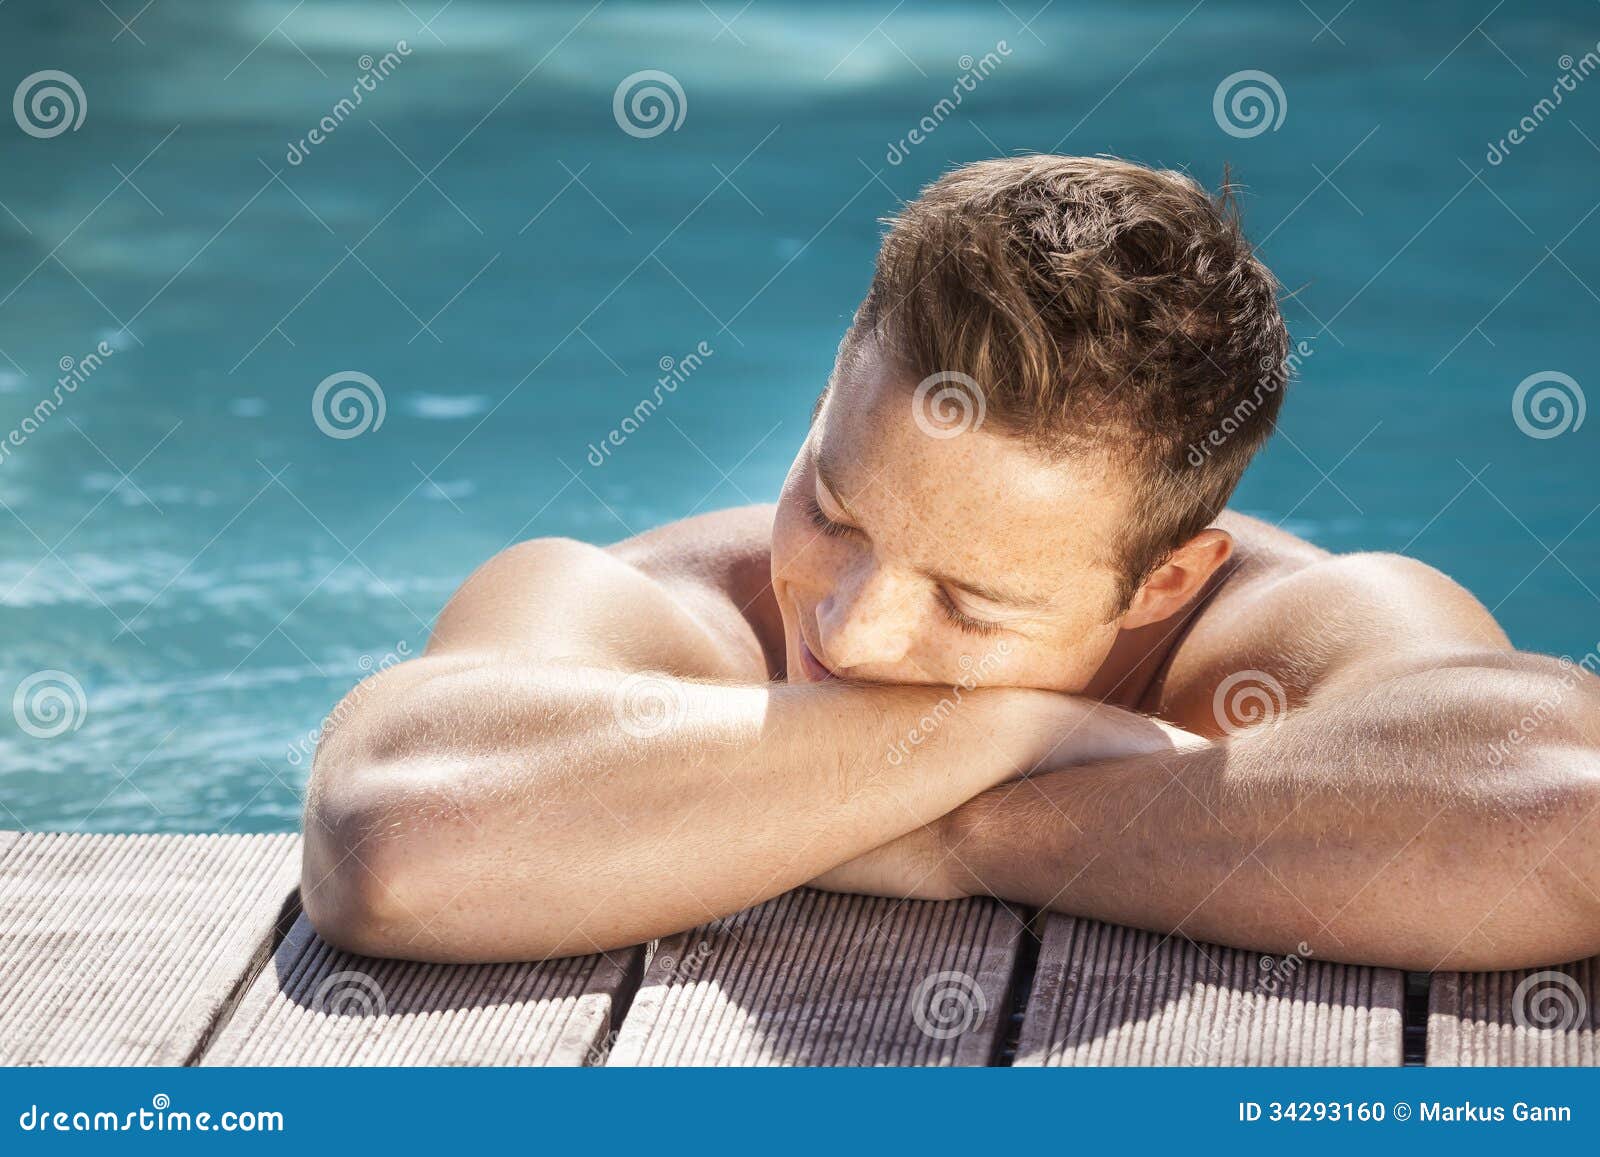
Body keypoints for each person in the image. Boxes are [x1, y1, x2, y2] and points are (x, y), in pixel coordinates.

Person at [300, 155, 1599, 970]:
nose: (853, 632)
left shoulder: (1306, 624)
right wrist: (1016, 731)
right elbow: (397, 840)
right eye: (835, 504)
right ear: (828, 393)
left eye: (970, 602)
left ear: (1163, 582)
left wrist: (968, 835)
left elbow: (1570, 818)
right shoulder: (640, 606)